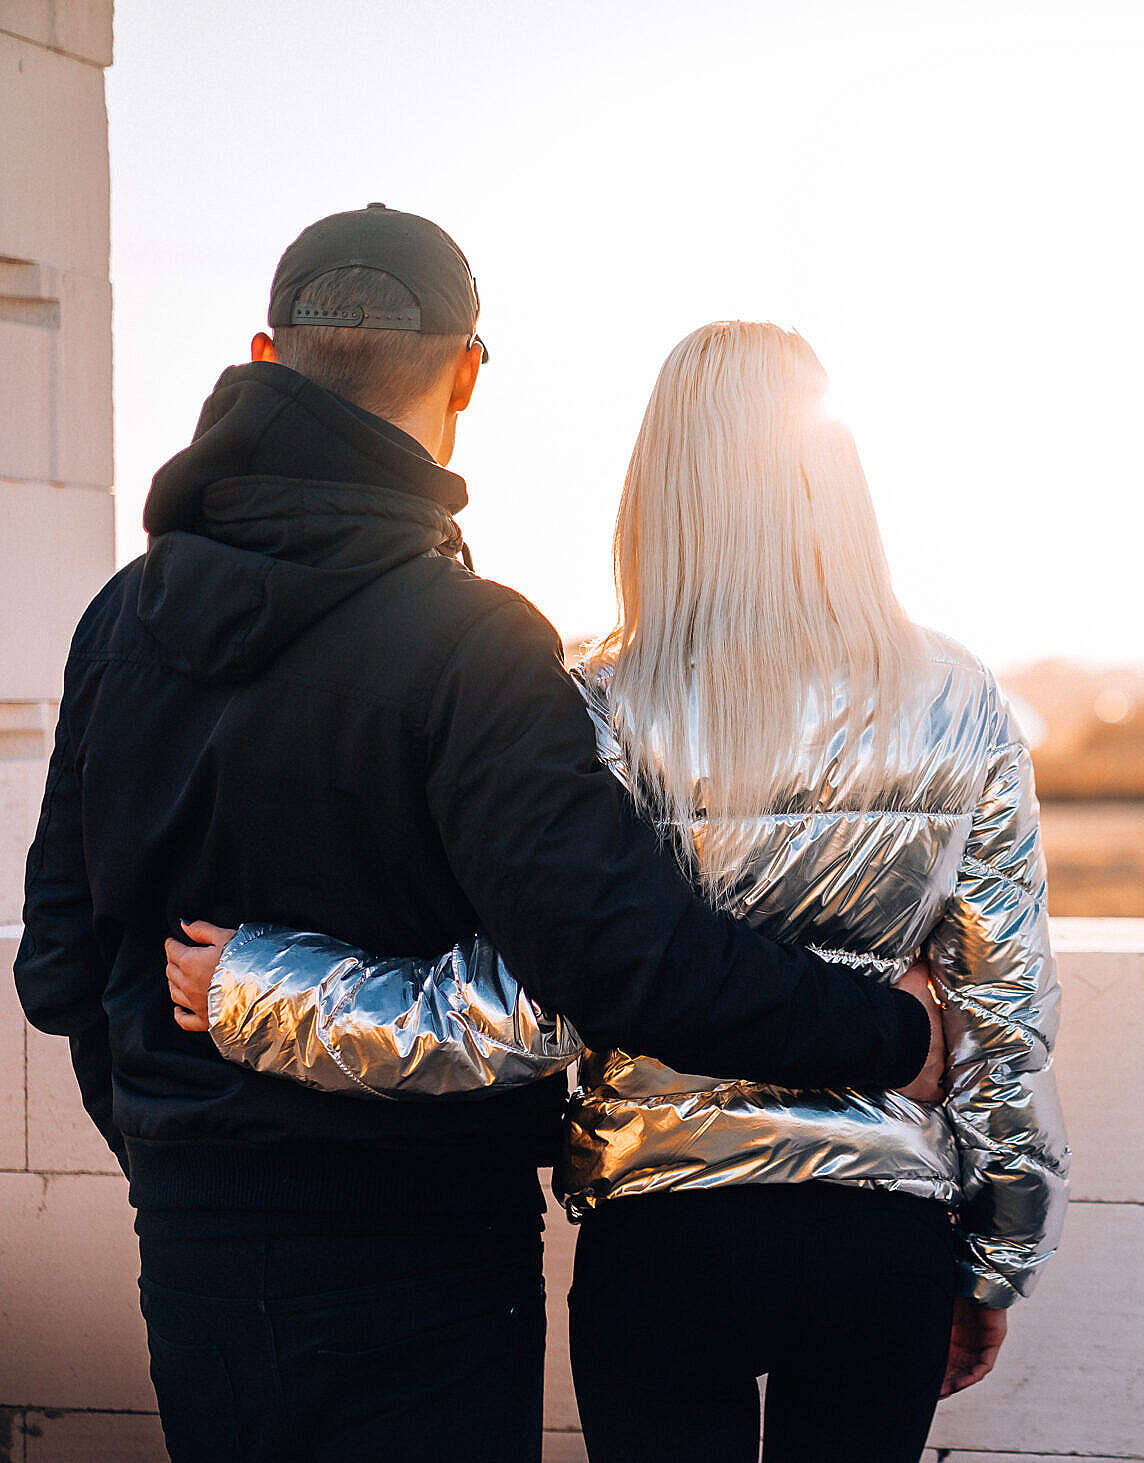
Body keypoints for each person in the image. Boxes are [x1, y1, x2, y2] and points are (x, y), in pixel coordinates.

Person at [13, 210, 944, 1463]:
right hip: (430, 1258)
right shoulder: (477, 643)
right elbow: (615, 956)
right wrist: (894, 1033)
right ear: (466, 371)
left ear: (262, 352)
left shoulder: (118, 620)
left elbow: (58, 966)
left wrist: (173, 1145)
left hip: (201, 1248)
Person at [164, 320, 1071, 1463]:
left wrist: (255, 988)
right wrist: (996, 1257)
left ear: (659, 487)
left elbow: (521, 1010)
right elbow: (1002, 1021)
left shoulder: (590, 707)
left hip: (664, 1239)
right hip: (883, 1233)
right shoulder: (960, 702)